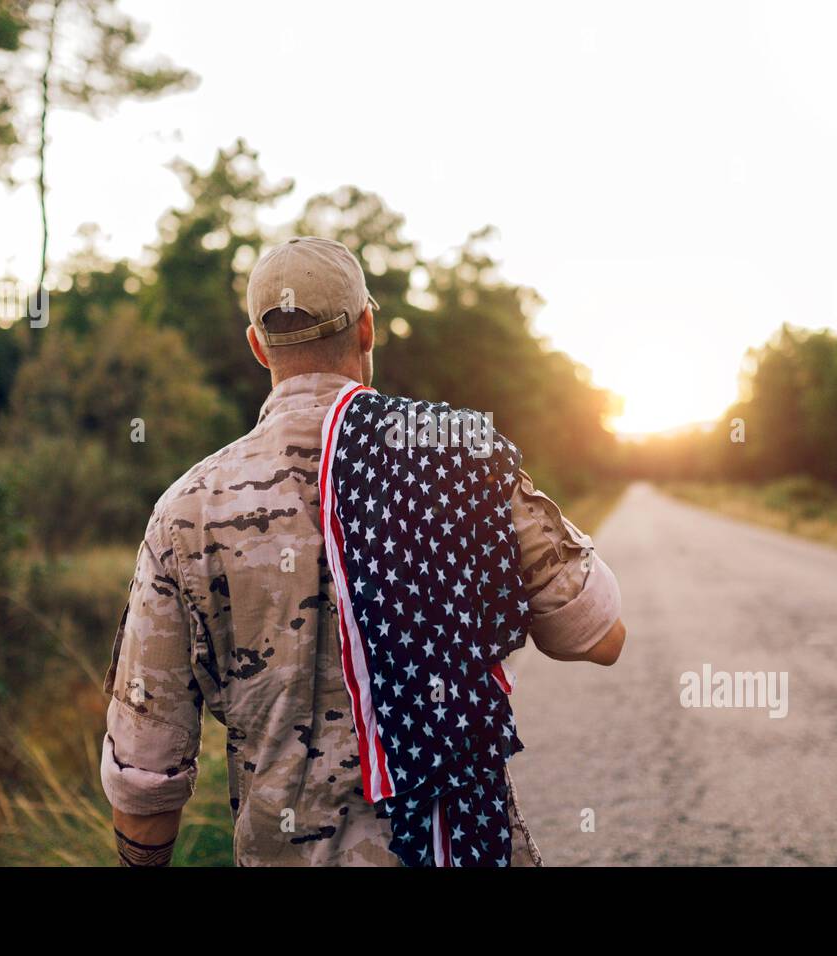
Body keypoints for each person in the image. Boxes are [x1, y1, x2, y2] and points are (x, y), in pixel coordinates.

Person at [101, 236, 624, 866]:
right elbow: (597, 637)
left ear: (258, 346)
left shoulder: (185, 511)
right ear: (368, 328)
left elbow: (146, 769)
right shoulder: (457, 456)